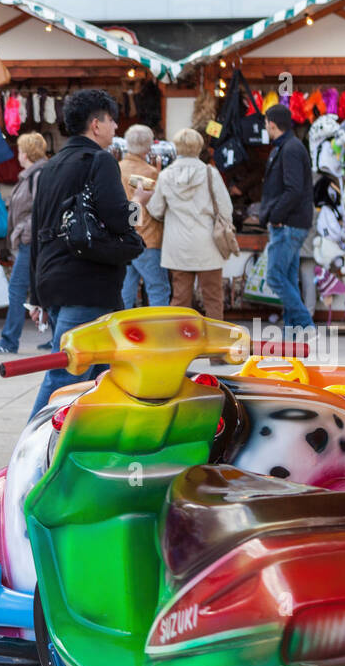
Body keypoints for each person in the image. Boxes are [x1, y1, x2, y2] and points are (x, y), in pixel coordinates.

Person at [27, 88, 135, 418]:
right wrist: (138, 209)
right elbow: (118, 215)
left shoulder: (51, 165)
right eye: (112, 120)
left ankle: (86, 445)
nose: (116, 127)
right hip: (86, 282)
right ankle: (30, 447)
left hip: (54, 279)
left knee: (101, 372)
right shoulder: (99, 160)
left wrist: (35, 294)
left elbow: (37, 230)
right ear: (96, 124)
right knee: (66, 374)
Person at [145, 127, 233, 320]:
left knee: (180, 299)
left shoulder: (166, 176)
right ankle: (215, 342)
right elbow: (226, 210)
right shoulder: (210, 173)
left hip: (177, 246)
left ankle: (179, 342)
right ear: (199, 147)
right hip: (208, 243)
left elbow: (156, 210)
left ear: (177, 148)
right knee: (213, 299)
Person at [261, 103, 316, 338]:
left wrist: (276, 216)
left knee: (274, 276)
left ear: (272, 125)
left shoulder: (290, 149)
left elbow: (293, 189)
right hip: (292, 223)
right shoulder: (291, 146)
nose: (265, 127)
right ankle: (292, 334)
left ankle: (305, 325)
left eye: (266, 124)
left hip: (287, 224)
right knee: (288, 278)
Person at [0, 132, 47, 353]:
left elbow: (39, 209)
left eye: (20, 150)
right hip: (32, 241)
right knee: (43, 290)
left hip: (31, 242)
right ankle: (58, 338)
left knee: (17, 289)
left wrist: (23, 231)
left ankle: (9, 340)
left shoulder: (37, 176)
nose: (18, 154)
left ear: (26, 153)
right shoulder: (32, 175)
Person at [119, 123, 169, 309]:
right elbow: (156, 207)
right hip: (148, 238)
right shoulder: (151, 173)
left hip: (124, 237)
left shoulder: (117, 169)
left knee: (126, 288)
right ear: (149, 146)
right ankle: (159, 332)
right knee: (158, 288)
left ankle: (123, 330)